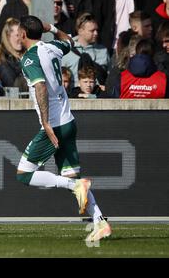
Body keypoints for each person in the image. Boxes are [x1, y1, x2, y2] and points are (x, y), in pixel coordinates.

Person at [15, 15, 111, 243]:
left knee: (24, 175)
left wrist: (46, 123)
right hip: (69, 121)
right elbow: (68, 40)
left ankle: (75, 185)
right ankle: (100, 221)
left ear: (23, 34)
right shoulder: (50, 47)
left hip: (55, 124)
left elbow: (39, 86)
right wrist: (52, 27)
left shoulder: (29, 58)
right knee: (72, 174)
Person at [62, 13, 110, 87]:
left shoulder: (103, 51)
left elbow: (109, 76)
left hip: (97, 95)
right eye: (92, 31)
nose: (96, 33)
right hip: (73, 95)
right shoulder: (67, 51)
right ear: (80, 31)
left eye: (96, 30)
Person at [0, 17, 27, 91]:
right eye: (17, 35)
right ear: (8, 37)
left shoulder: (28, 55)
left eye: (22, 35)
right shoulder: (2, 59)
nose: (21, 39)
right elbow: (13, 86)